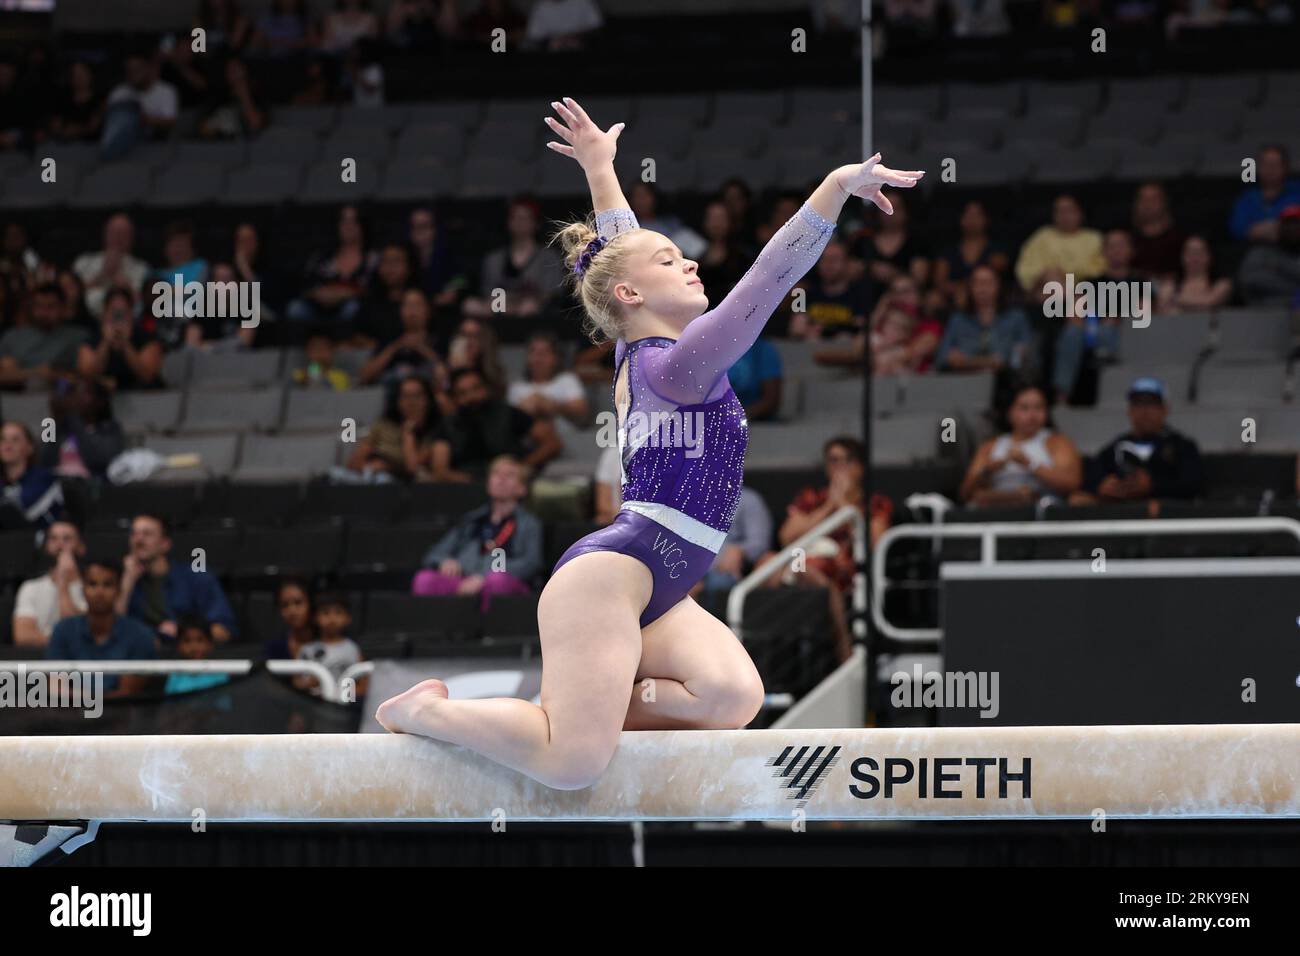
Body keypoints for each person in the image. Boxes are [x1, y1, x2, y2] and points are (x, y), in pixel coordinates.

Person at [376, 96, 921, 789]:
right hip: (612, 577)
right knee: (571, 767)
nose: (691, 263)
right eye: (673, 260)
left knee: (732, 696)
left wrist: (601, 169)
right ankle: (435, 714)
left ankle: (579, 714)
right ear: (633, 294)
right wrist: (833, 189)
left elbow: (619, 256)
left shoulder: (650, 348)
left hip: (661, 587)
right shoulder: (676, 365)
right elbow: (767, 280)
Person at [412, 455, 544, 608]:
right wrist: (444, 561)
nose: (501, 479)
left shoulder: (529, 524)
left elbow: (532, 562)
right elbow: (434, 554)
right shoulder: (472, 520)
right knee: (424, 580)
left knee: (497, 581)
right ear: (488, 484)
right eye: (496, 474)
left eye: (509, 475)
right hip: (464, 579)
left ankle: (489, 630)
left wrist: (484, 577)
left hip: (501, 582)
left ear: (522, 489)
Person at [1076, 377, 1204, 503]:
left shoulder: (1182, 446)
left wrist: (1154, 486)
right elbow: (1090, 480)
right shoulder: (1116, 448)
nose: (1145, 411)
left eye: (1151, 404)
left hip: (1168, 519)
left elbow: (1193, 484)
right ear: (1130, 411)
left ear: (1164, 410)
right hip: (1124, 518)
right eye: (1138, 404)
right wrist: (1103, 487)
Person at [118, 513, 238, 643]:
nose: (138, 540)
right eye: (134, 534)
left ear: (165, 543)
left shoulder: (197, 579)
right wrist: (127, 581)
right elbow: (112, 633)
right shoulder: (122, 580)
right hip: (141, 656)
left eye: (147, 534)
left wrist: (182, 632)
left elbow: (224, 630)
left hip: (189, 656)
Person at [47, 557, 156, 696]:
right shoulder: (63, 630)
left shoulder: (140, 635)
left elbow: (126, 694)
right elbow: (56, 689)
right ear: (83, 589)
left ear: (118, 590)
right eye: (92, 584)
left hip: (123, 715)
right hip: (70, 715)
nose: (99, 592)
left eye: (107, 584)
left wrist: (83, 697)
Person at [960, 382, 1082, 506]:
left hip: (1040, 505)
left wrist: (1030, 464)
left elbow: (1071, 484)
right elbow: (965, 493)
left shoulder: (1057, 442)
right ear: (1009, 412)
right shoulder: (990, 446)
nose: (1032, 415)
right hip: (996, 504)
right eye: (1024, 408)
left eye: (1039, 408)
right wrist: (988, 470)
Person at [431, 367, 562, 481]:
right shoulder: (448, 425)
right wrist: (474, 482)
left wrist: (521, 467)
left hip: (510, 482)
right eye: (463, 393)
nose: (472, 397)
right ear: (455, 398)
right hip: (465, 487)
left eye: (476, 388)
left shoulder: (508, 414)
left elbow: (552, 444)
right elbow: (440, 470)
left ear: (486, 388)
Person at [461, 197, 565, 319]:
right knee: (470, 304)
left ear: (536, 223)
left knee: (529, 306)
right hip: (498, 310)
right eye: (515, 217)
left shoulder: (548, 257)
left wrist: (523, 303)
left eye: (524, 218)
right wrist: (507, 305)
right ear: (508, 222)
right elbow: (489, 294)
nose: (519, 222)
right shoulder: (494, 259)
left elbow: (550, 295)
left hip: (533, 314)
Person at [936, 264, 1033, 373]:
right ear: (970, 287)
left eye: (987, 283)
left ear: (998, 285)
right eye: (977, 283)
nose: (982, 288)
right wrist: (988, 361)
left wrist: (967, 361)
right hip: (964, 379)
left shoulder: (1016, 318)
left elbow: (1022, 357)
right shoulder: (958, 320)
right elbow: (942, 358)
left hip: (1005, 381)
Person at [343, 374, 442, 480]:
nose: (411, 402)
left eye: (417, 396)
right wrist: (371, 467)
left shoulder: (435, 431)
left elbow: (413, 468)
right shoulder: (383, 425)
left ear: (427, 400)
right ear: (398, 401)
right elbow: (353, 464)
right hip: (372, 479)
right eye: (405, 397)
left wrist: (407, 434)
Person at [13, 519, 87, 647]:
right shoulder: (30, 588)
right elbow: (23, 636)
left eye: (67, 539)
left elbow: (76, 633)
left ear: (81, 547)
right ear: (46, 546)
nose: (60, 544)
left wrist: (63, 584)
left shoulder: (93, 587)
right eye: (53, 538)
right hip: (40, 662)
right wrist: (61, 644)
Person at [1014, 194, 1104, 298]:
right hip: (1046, 292)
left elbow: (1101, 269)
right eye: (1060, 211)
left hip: (1087, 290)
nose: (1065, 216)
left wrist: (1065, 274)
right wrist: (1049, 275)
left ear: (1080, 213)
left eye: (1069, 211)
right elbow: (1025, 271)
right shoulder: (1041, 237)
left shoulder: (1094, 238)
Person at [0, 283, 88, 390]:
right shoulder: (12, 337)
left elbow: (82, 378)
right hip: (15, 397)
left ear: (63, 308)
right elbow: (3, 375)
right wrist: (37, 373)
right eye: (39, 306)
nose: (43, 312)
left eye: (50, 306)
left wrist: (57, 379)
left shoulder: (78, 337)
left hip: (61, 396)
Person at [77, 286, 165, 390]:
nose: (118, 316)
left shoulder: (147, 339)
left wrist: (126, 344)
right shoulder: (91, 341)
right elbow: (87, 376)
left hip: (143, 396)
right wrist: (105, 343)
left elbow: (147, 376)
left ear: (131, 313)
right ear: (105, 313)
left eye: (123, 311)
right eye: (114, 311)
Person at [690, 485, 773, 595]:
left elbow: (759, 542)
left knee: (719, 582)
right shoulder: (685, 498)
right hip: (684, 567)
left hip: (722, 570)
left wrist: (740, 550)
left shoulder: (748, 499)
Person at [38, 378, 126, 480]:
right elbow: (44, 461)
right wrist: (54, 419)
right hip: (56, 487)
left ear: (100, 402)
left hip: (92, 489)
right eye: (73, 393)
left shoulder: (110, 428)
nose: (76, 398)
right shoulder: (56, 426)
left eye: (83, 393)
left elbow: (98, 462)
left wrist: (73, 418)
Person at [788, 238, 874, 340]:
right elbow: (795, 329)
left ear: (847, 263)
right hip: (808, 349)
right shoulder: (803, 293)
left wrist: (826, 330)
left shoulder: (860, 295)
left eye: (834, 259)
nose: (828, 265)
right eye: (824, 259)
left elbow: (861, 327)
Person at [507, 331, 590, 431]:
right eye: (533, 352)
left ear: (556, 358)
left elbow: (582, 411)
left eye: (544, 353)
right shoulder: (516, 387)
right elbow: (507, 422)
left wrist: (553, 406)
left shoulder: (567, 380)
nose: (538, 359)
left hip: (569, 439)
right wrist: (527, 408)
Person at [72, 212, 150, 317]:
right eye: (114, 232)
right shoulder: (84, 261)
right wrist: (103, 275)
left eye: (123, 234)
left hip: (125, 320)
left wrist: (118, 278)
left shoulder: (142, 268)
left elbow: (144, 301)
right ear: (105, 234)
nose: (118, 237)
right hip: (85, 319)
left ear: (131, 237)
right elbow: (71, 295)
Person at [295, 591, 365, 702]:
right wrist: (308, 684)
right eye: (325, 613)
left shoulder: (352, 649)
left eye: (338, 612)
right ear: (315, 618)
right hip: (311, 707)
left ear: (348, 618)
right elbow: (296, 683)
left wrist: (341, 694)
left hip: (343, 710)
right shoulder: (307, 650)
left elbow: (363, 685)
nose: (332, 619)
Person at [1229, 145, 1300, 244]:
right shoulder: (1248, 197)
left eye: (1274, 165)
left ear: (1285, 167)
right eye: (1265, 164)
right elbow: (1236, 228)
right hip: (1255, 249)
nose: (1270, 170)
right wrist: (1255, 231)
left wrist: (1280, 229)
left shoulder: (1297, 193)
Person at [0, 421, 63, 529]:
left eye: (15, 440)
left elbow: (26, 512)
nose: (7, 445)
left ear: (30, 447)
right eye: (2, 439)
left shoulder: (44, 479)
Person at [1237, 206, 1300, 306]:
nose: (1293, 228)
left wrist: (1277, 267)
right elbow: (1250, 280)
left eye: (1297, 223)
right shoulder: (1260, 253)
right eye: (1288, 223)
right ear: (1278, 226)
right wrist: (1296, 290)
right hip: (1264, 313)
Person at [1156, 235, 1234, 313]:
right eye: (1190, 252)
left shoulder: (1222, 284)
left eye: (1199, 252)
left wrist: (1175, 300)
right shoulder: (1170, 285)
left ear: (1210, 255)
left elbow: (1210, 302)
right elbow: (1162, 307)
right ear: (1182, 256)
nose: (1194, 257)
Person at [1129, 182, 1185, 281]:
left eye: (1153, 199)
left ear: (1164, 202)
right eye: (1143, 199)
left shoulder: (1179, 238)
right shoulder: (1128, 238)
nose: (1148, 204)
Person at [164, 617, 231, 694]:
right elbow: (169, 704)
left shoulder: (219, 674)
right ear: (179, 646)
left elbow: (223, 704)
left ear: (210, 644)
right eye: (187, 641)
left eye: (200, 640)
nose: (194, 647)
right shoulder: (175, 675)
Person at [725, 334, 783, 421]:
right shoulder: (710, 349)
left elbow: (772, 400)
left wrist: (738, 418)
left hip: (757, 425)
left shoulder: (763, 349)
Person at [264, 575, 316, 659]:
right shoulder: (274, 648)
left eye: (298, 602)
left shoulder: (330, 641)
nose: (292, 611)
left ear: (311, 604)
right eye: (284, 605)